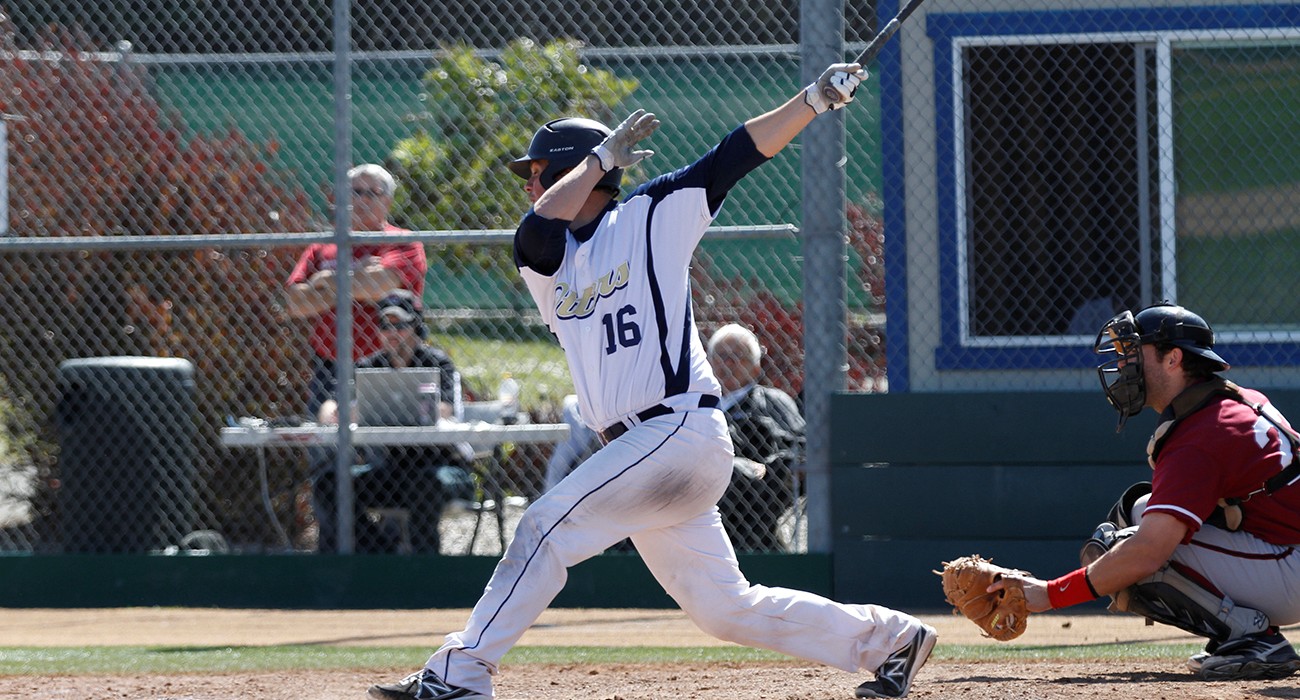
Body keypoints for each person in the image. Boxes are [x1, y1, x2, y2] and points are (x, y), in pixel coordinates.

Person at [371, 62, 936, 700]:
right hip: (639, 452)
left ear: (569, 169)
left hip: (677, 430)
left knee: (543, 527)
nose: (528, 181)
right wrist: (598, 162)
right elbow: (535, 230)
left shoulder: (652, 214)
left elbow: (736, 153)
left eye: (536, 169)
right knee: (727, 609)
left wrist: (813, 99)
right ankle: (892, 640)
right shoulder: (549, 260)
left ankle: (461, 673)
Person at [989, 302, 1300, 681]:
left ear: (1173, 359)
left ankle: (1256, 639)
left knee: (1133, 550)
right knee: (1136, 511)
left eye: (1133, 353)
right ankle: (1240, 634)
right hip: (1284, 551)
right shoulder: (1228, 401)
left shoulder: (1202, 434)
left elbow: (1148, 551)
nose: (1123, 366)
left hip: (1291, 565)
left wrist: (1049, 594)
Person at [312, 289, 474, 554]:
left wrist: (407, 408)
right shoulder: (368, 366)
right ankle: (383, 555)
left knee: (425, 485)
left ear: (416, 327)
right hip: (392, 470)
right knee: (329, 485)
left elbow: (446, 409)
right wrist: (337, 412)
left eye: (400, 325)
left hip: (443, 468)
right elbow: (331, 405)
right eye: (385, 326)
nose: (392, 333)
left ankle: (424, 572)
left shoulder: (437, 363)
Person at [284, 164, 427, 418]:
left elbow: (378, 287)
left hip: (388, 363)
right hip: (330, 365)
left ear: (388, 200)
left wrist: (326, 279)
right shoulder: (324, 245)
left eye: (373, 192)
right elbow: (296, 302)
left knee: (384, 445)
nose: (363, 199)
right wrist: (357, 278)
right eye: (356, 192)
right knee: (325, 446)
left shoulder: (402, 241)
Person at [708, 323, 806, 552]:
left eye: (737, 356)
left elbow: (798, 448)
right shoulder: (694, 405)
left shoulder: (771, 401)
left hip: (752, 503)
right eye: (721, 356)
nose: (728, 363)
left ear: (755, 367)